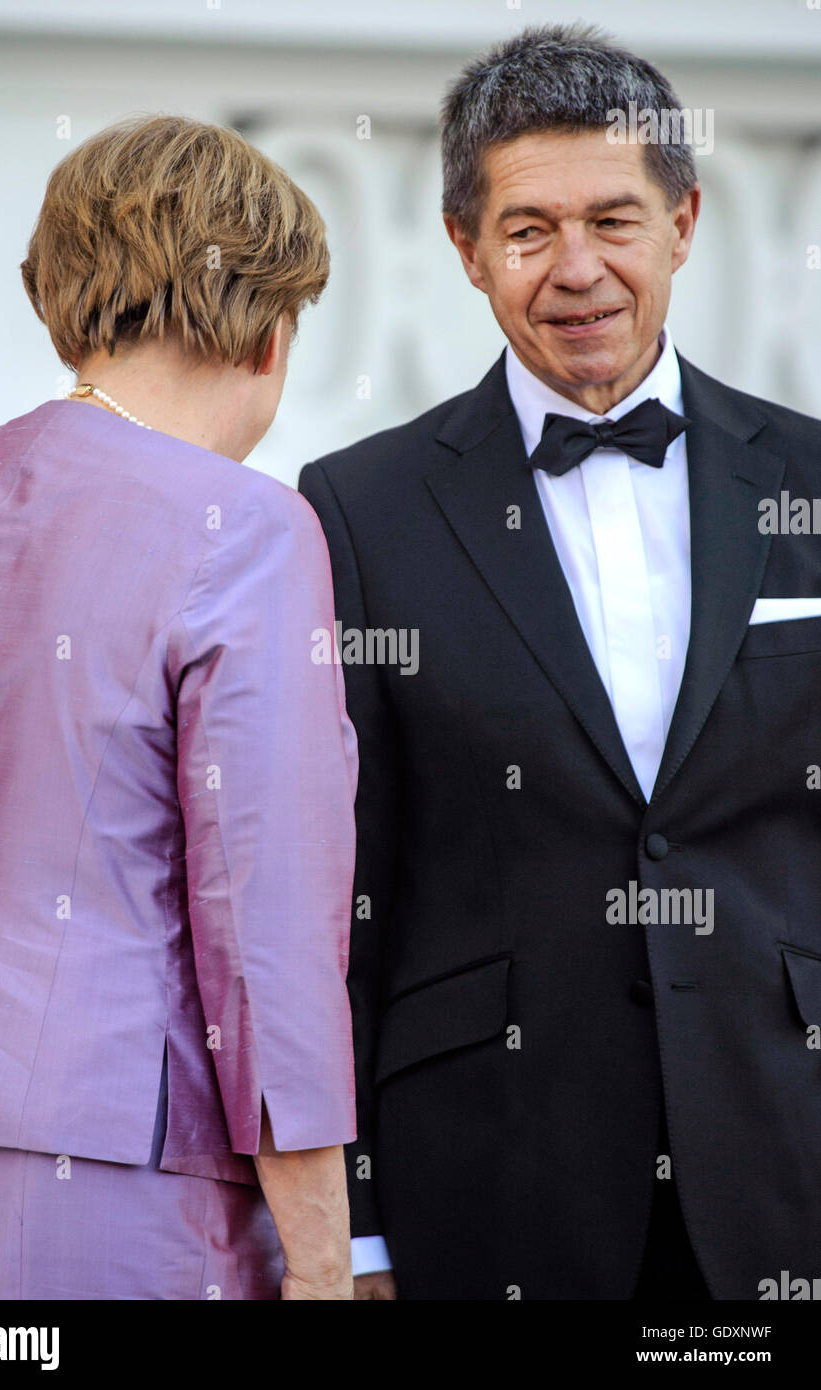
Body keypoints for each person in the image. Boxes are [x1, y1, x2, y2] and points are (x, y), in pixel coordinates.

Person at [299, 23, 821, 1300]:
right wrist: (355, 1224)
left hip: (784, 1147)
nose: (576, 269)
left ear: (685, 223)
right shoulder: (356, 506)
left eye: (615, 221)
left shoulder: (811, 479)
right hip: (489, 1169)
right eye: (529, 231)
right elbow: (341, 886)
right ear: (465, 250)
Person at [0, 114, 358, 1301]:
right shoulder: (251, 526)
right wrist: (322, 1255)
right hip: (122, 1178)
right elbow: (266, 927)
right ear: (270, 325)